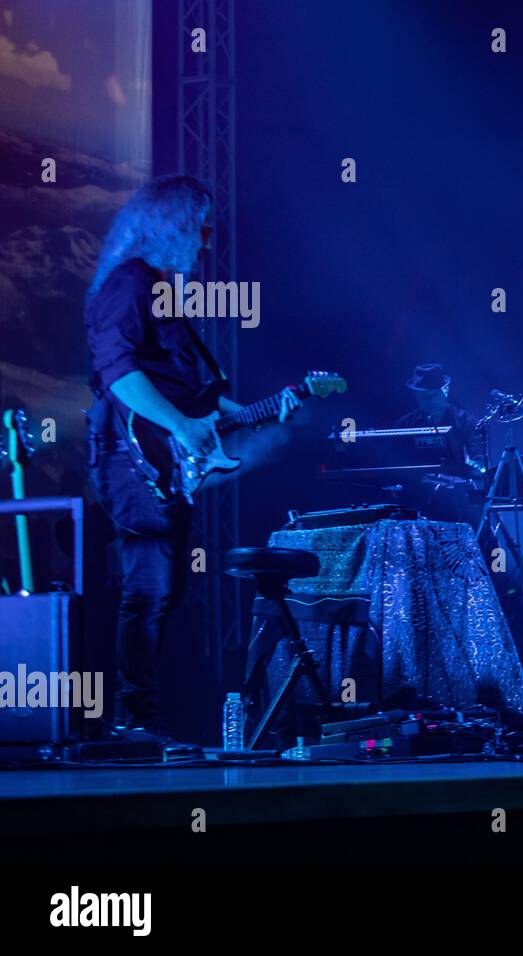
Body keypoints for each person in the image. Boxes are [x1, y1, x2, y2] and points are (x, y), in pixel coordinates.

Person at [84, 175, 299, 741]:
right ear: (172, 224)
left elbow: (194, 393)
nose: (207, 240)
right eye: (200, 226)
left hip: (162, 460)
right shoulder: (127, 285)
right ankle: (133, 721)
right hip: (129, 455)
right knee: (149, 587)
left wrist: (266, 409)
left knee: (166, 589)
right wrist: (180, 425)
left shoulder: (163, 294)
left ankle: (143, 718)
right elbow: (118, 372)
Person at [396, 363, 486, 477]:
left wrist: (477, 464)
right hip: (416, 489)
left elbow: (479, 455)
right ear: (416, 395)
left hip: (458, 488)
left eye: (436, 395)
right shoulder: (405, 424)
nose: (432, 401)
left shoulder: (466, 422)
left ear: (446, 390)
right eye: (425, 396)